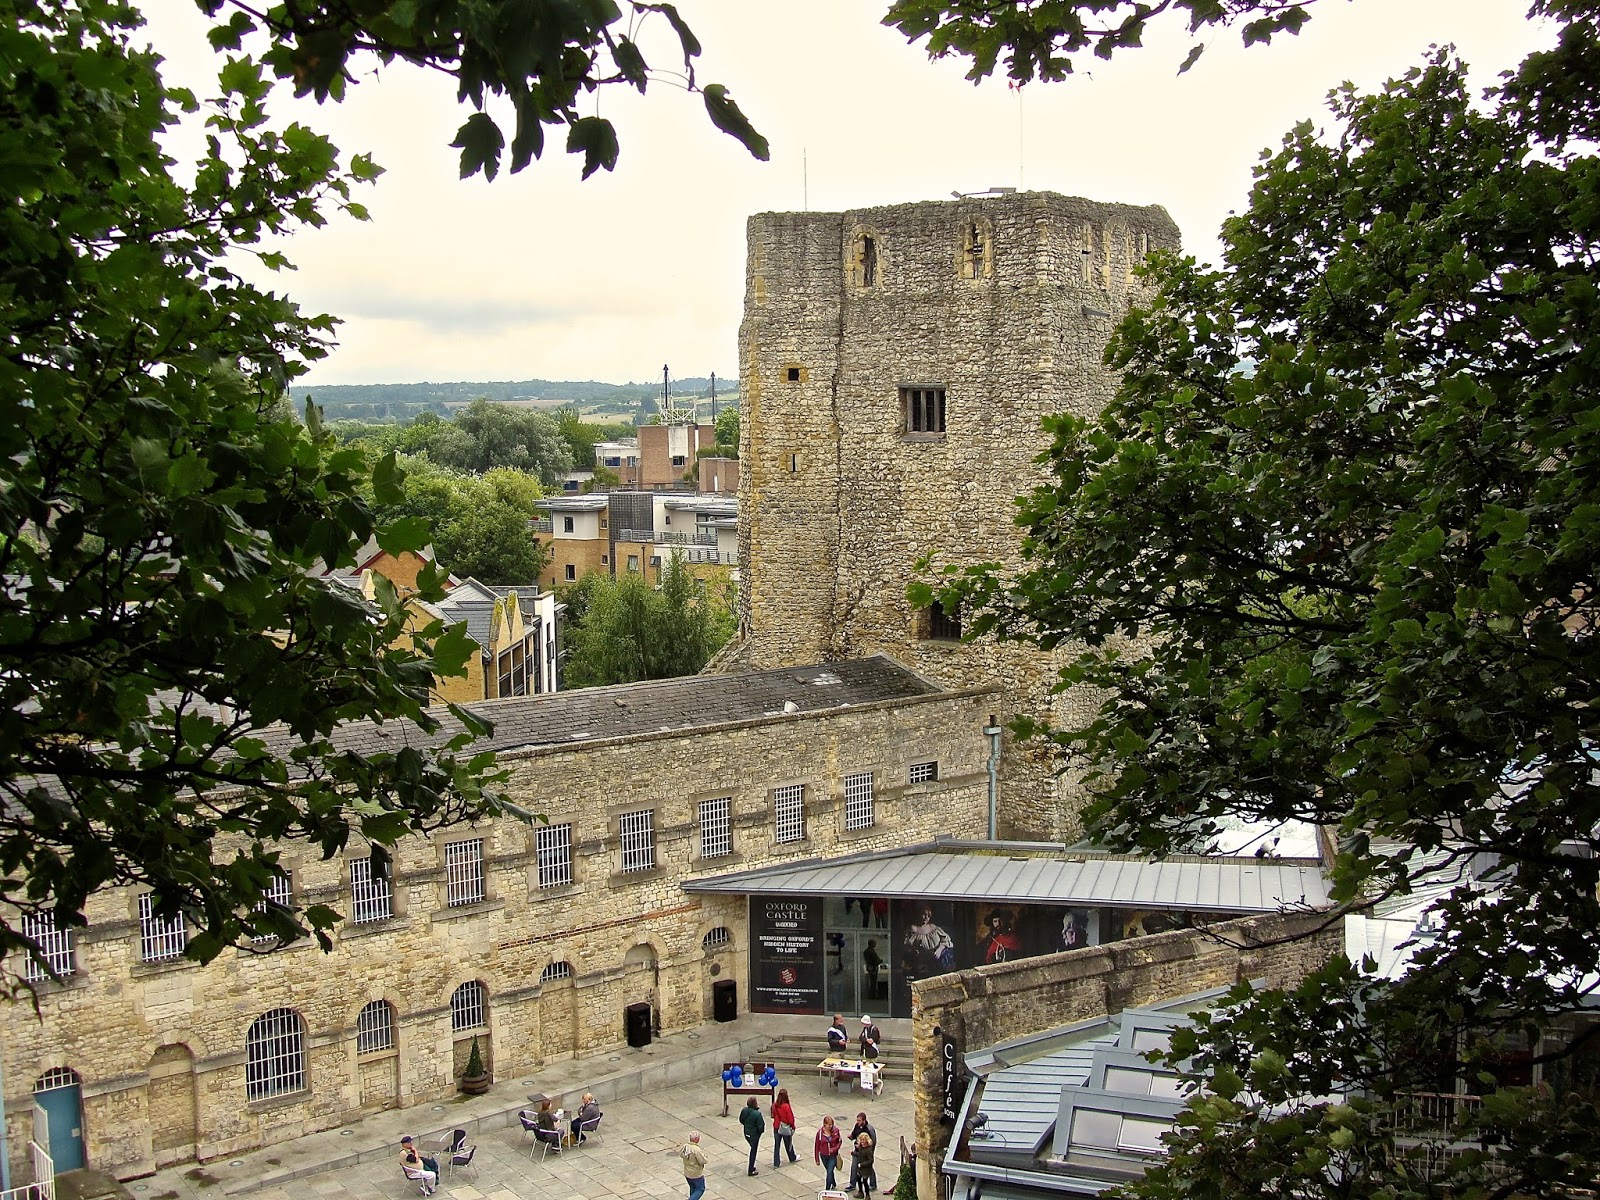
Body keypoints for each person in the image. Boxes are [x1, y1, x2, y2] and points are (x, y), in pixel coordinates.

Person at [903, 906, 956, 971]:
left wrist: (939, 949)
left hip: (937, 962)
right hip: (921, 963)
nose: (926, 918)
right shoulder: (913, 929)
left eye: (928, 915)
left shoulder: (933, 927)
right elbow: (907, 945)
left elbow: (945, 939)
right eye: (924, 914)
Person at [848, 1112, 878, 1195]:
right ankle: (852, 1184)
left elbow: (873, 1142)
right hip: (857, 1151)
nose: (858, 1122)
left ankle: (873, 1184)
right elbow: (854, 1135)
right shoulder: (857, 1126)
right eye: (857, 1120)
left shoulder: (869, 1129)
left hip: (866, 1152)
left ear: (864, 1120)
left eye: (859, 1120)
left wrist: (868, 1151)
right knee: (854, 1167)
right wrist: (851, 1137)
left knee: (868, 1168)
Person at [769, 1086, 798, 1167]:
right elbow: (790, 1118)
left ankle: (776, 1163)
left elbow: (774, 1115)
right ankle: (792, 1157)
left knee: (777, 1145)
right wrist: (793, 1126)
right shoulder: (786, 1106)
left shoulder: (774, 1105)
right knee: (788, 1143)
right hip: (785, 1126)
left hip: (776, 1126)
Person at [814, 1114, 843, 1191]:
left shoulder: (836, 1131)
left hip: (833, 1155)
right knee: (829, 1171)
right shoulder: (819, 1133)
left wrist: (834, 1149)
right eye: (829, 1125)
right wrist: (817, 1159)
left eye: (831, 1124)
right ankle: (833, 1183)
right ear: (824, 1124)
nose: (830, 1126)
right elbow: (817, 1145)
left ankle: (827, 1190)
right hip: (824, 1155)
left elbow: (839, 1142)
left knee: (829, 1171)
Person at [739, 1095, 765, 1176]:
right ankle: (751, 1169)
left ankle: (752, 1167)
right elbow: (761, 1127)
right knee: (753, 1151)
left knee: (752, 1148)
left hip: (746, 1133)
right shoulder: (757, 1114)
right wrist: (759, 1132)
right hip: (754, 1135)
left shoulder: (744, 1110)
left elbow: (741, 1120)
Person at [677, 1130, 707, 1200]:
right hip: (696, 1173)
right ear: (697, 1139)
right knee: (700, 1189)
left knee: (693, 1188)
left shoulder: (685, 1146)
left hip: (687, 1172)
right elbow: (702, 1161)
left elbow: (681, 1154)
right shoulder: (696, 1150)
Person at [849, 1132, 876, 1198]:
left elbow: (871, 1161)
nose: (862, 1142)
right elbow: (859, 1155)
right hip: (860, 1169)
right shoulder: (861, 1148)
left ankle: (867, 1195)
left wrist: (862, 1164)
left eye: (863, 1140)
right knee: (858, 1179)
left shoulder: (868, 1150)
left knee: (865, 1181)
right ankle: (860, 1192)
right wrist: (853, 1153)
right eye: (861, 1140)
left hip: (866, 1169)